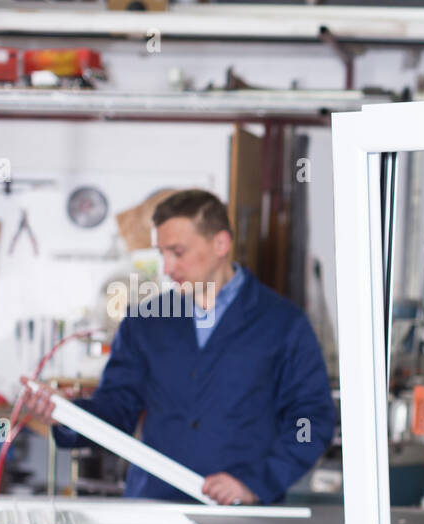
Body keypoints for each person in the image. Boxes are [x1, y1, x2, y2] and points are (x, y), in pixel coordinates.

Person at [24, 189, 336, 505]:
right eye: (162, 253)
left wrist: (258, 482)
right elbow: (117, 408)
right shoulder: (145, 321)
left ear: (220, 244)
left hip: (243, 511)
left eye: (177, 252)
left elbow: (310, 421)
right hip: (155, 506)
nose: (167, 268)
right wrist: (70, 415)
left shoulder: (283, 323)